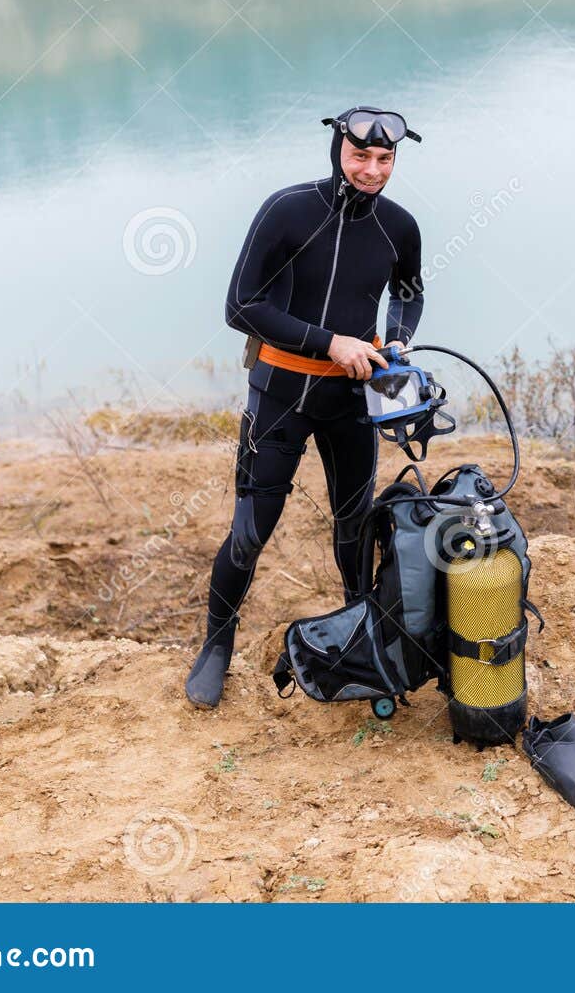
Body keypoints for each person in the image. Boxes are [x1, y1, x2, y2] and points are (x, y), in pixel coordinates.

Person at [184, 108, 425, 708]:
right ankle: (217, 647)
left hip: (352, 400)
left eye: (385, 160)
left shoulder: (400, 227)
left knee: (354, 530)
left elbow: (409, 292)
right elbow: (241, 306)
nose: (372, 170)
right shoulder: (287, 211)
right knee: (250, 533)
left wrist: (394, 339)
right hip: (280, 395)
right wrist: (328, 343)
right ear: (337, 149)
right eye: (360, 156)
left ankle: (362, 650)